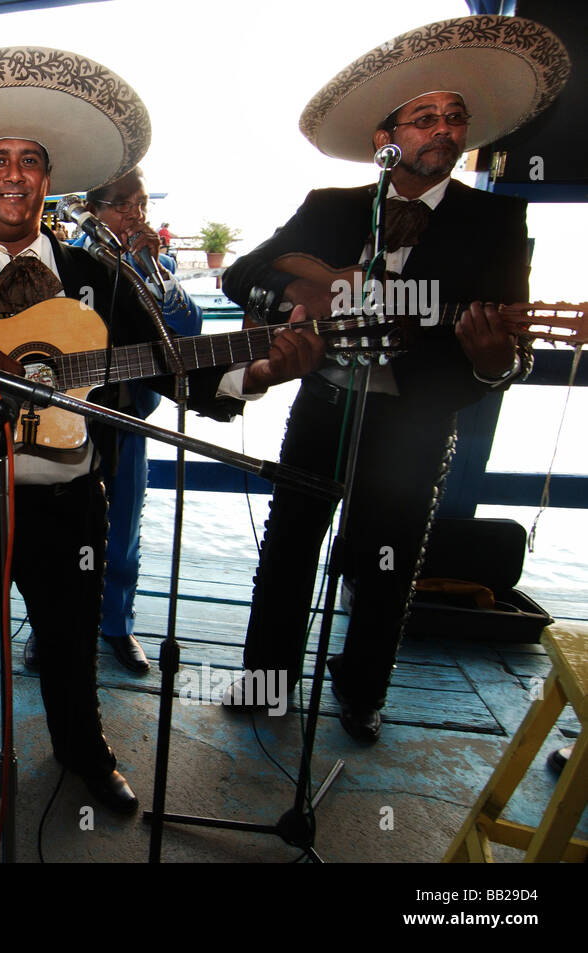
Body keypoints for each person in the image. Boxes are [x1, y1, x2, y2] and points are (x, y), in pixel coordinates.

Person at [0, 46, 323, 839]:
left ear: (49, 179)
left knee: (68, 645)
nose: (15, 175)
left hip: (69, 505)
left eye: (32, 160)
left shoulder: (98, 272)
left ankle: (84, 751)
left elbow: (170, 367)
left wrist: (261, 371)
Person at [219, 15, 569, 743]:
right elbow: (240, 275)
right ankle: (265, 680)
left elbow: (510, 357)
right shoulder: (331, 208)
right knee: (288, 547)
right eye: (425, 118)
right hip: (324, 406)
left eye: (455, 118)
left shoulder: (498, 224)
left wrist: (489, 356)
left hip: (416, 426)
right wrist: (298, 298)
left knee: (388, 564)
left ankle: (362, 690)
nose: (444, 129)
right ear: (389, 141)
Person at [27, 167, 203, 675]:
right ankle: (47, 629)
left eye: (141, 203)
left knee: (122, 529)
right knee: (57, 529)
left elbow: (189, 329)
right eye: (123, 205)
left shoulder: (157, 264)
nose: (136, 215)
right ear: (94, 210)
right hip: (67, 421)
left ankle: (116, 626)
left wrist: (152, 271)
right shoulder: (65, 261)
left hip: (129, 419)